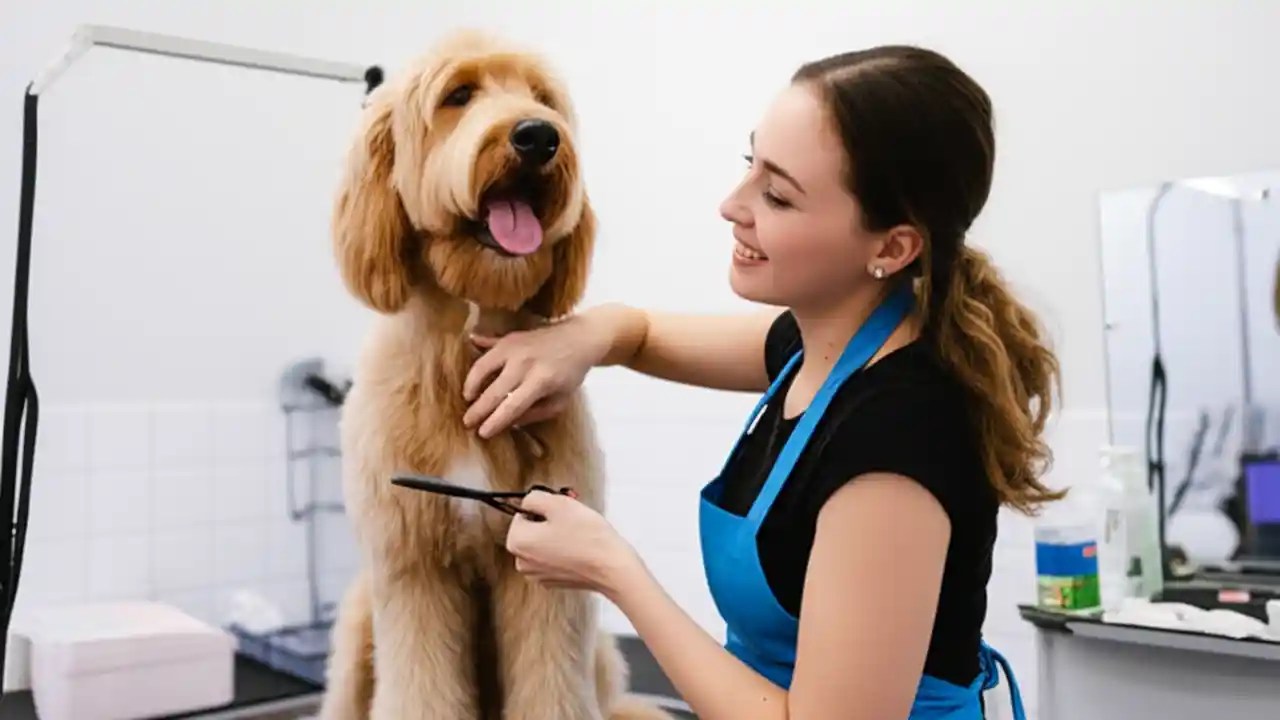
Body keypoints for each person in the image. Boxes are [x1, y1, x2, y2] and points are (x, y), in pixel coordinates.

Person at [462, 44, 1061, 720]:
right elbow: (641, 333)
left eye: (777, 195)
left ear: (892, 247)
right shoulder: (819, 346)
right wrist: (583, 338)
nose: (731, 205)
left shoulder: (894, 447)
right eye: (750, 165)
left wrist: (611, 568)